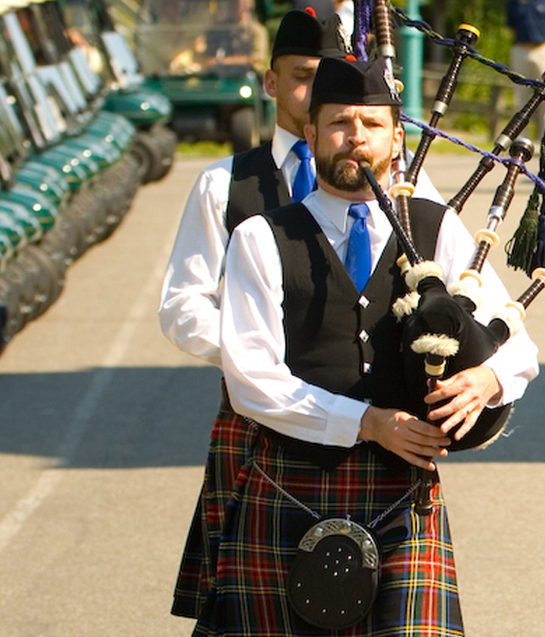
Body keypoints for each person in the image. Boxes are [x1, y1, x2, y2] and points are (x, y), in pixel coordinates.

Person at [197, 55, 539, 634]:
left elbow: (516, 341)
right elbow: (252, 380)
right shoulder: (261, 237)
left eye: (373, 124)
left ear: (396, 138)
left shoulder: (437, 228)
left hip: (401, 498)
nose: (356, 136)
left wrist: (488, 380)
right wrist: (368, 422)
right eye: (338, 123)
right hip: (290, 482)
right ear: (310, 133)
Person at [162, 9, 440, 622]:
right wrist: (256, 344)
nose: (315, 94)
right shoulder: (225, 183)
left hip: (387, 443)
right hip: (266, 424)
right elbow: (182, 305)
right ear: (271, 83)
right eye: (301, 79)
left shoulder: (410, 196)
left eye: (327, 80)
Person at [507, 0, 545, 142]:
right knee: (520, 97)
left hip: (543, 48)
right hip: (521, 48)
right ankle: (521, 139)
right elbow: (511, 26)